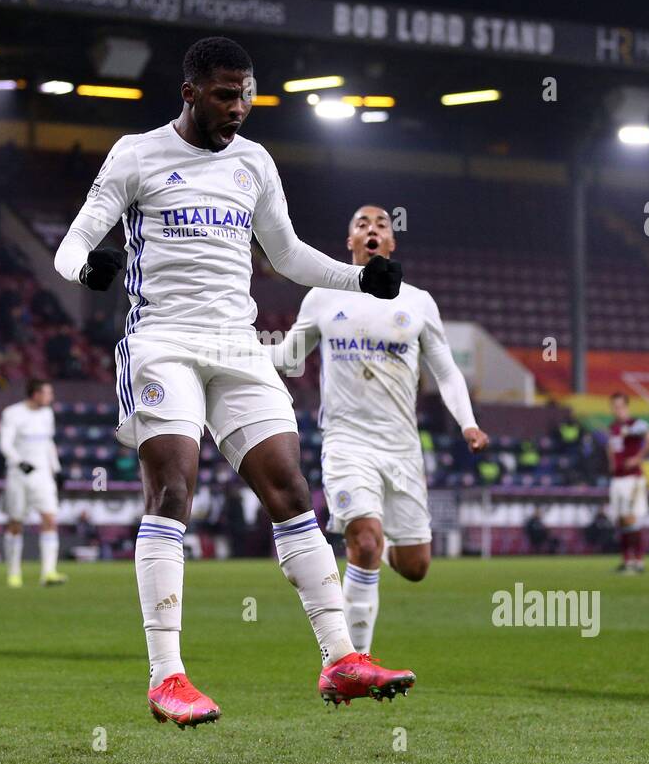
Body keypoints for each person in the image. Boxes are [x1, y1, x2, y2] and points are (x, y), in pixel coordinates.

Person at [53, 36, 413, 727]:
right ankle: (168, 678)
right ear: (189, 93)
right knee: (174, 487)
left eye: (246, 94)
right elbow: (76, 239)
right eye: (224, 94)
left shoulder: (254, 162)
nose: (239, 108)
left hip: (238, 345)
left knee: (290, 488)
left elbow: (287, 254)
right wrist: (86, 269)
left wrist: (359, 279)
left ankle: (340, 658)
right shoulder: (137, 153)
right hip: (162, 340)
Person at [267, 204, 489, 654]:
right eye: (361, 224)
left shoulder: (418, 301)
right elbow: (288, 359)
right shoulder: (323, 297)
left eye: (382, 224)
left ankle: (383, 548)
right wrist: (238, 352)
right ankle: (354, 661)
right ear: (350, 242)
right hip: (347, 441)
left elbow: (445, 372)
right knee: (363, 543)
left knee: (415, 566)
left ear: (392, 242)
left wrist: (468, 423)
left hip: (402, 447)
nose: (372, 229)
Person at [0, 378, 64, 587]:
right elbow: (5, 444)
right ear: (35, 394)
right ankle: (14, 573)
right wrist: (20, 463)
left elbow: (48, 442)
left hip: (43, 475)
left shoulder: (47, 414)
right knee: (16, 523)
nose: (51, 398)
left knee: (50, 519)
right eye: (47, 393)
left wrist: (57, 468)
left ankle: (48, 572)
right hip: (19, 475)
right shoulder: (12, 413)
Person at [606, 392, 649, 573]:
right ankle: (627, 560)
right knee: (622, 521)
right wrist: (612, 464)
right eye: (615, 407)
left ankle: (639, 561)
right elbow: (611, 447)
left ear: (627, 407)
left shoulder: (635, 424)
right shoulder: (613, 427)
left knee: (632, 520)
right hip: (618, 479)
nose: (618, 410)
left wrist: (638, 458)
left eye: (621, 406)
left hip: (632, 478)